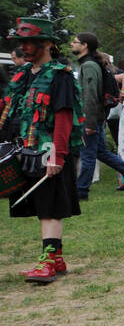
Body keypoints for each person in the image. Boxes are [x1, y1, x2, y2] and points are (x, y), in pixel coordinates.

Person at [3, 18, 85, 283]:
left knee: (50, 207)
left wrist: (57, 156)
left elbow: (64, 117)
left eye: (30, 42)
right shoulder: (24, 75)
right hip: (27, 148)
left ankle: (48, 262)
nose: (25, 47)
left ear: (47, 43)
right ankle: (57, 258)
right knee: (41, 205)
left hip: (51, 148)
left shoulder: (60, 75)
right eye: (22, 43)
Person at [71, 32, 124, 200]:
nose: (72, 44)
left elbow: (90, 96)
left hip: (91, 118)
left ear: (84, 46)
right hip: (95, 117)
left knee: (88, 155)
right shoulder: (89, 64)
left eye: (75, 42)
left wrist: (89, 122)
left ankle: (81, 191)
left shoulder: (89, 66)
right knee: (102, 153)